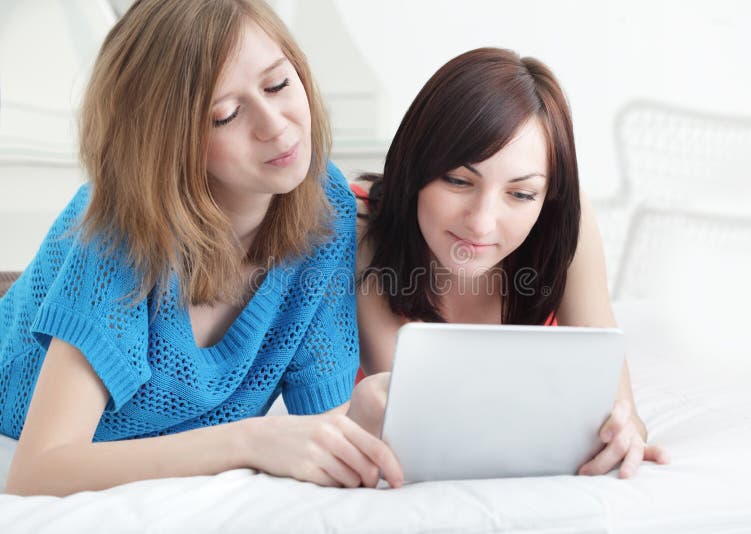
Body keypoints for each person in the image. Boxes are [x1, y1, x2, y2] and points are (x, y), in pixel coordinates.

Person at [0, 0, 402, 496]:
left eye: (278, 84)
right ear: (168, 142)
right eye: (225, 116)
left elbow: (318, 421)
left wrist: (361, 413)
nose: (276, 125)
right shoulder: (116, 231)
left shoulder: (327, 209)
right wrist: (246, 441)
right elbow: (37, 472)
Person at [349, 48, 669, 479]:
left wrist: (625, 433)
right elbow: (417, 418)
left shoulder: (566, 223)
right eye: (459, 181)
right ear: (415, 167)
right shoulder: (359, 220)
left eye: (520, 194)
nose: (481, 223)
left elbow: (619, 407)